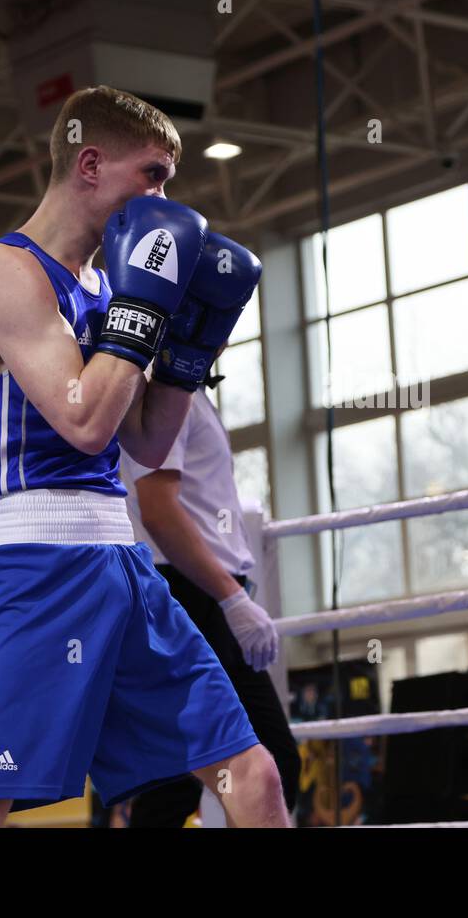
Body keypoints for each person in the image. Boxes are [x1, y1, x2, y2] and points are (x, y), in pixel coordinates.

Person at [0, 84, 289, 828]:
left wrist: (190, 351)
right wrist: (144, 312)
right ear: (90, 164)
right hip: (31, 565)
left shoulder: (108, 285)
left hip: (122, 564)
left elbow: (147, 443)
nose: (164, 195)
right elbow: (87, 423)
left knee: (253, 773)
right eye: (152, 174)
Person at [118, 346, 301, 827]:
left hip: (200, 590)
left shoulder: (187, 389)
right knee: (265, 760)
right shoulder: (166, 392)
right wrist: (231, 597)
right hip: (191, 591)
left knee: (184, 770)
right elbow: (157, 508)